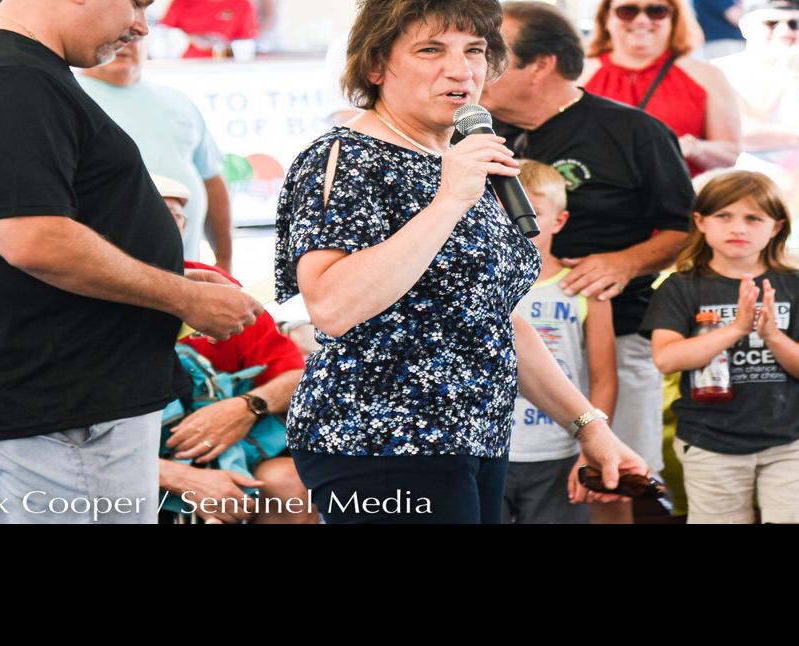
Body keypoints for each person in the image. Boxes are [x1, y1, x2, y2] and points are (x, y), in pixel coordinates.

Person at [274, 0, 646, 525]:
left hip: (475, 436)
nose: (461, 69)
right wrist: (448, 200)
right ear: (376, 65)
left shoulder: (463, 155)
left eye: (474, 50)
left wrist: (590, 428)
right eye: (431, 50)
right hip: (379, 439)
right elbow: (332, 306)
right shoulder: (347, 157)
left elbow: (493, 317)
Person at [0, 0, 262, 525]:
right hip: (62, 410)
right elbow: (32, 238)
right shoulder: (9, 76)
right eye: (137, 3)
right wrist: (183, 296)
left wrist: (162, 273)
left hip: (72, 406)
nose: (141, 26)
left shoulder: (21, 70)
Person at [486, 1, 694, 523]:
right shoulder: (475, 135)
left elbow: (686, 228)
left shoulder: (633, 132)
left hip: (614, 329)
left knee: (611, 483)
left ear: (542, 63)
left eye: (493, 54)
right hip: (501, 335)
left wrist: (624, 262)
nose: (477, 68)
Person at [642, 171, 799, 524]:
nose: (738, 228)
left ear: (775, 227)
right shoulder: (679, 287)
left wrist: (773, 335)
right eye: (724, 216)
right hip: (709, 440)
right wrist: (737, 329)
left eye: (753, 218)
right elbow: (666, 359)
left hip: (790, 439)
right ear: (700, 222)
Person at [149, 174, 314, 525]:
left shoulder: (215, 287)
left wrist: (247, 407)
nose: (159, 226)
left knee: (288, 482)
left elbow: (295, 374)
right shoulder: (73, 299)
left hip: (227, 458)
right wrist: (182, 478)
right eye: (146, 211)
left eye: (173, 217)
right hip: (114, 463)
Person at [504, 161, 617, 524]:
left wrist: (591, 447)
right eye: (503, 211)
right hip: (487, 452)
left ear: (559, 220)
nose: (515, 223)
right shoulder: (473, 284)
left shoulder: (585, 288)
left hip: (559, 453)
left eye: (531, 213)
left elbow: (603, 378)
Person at [79, 37, 234, 269]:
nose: (124, 43)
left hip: (186, 271)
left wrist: (224, 260)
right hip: (108, 275)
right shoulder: (70, 97)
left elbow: (211, 180)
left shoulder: (178, 101)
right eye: (115, 34)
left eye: (133, 35)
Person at [710, 0, 799, 249]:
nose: (784, 31)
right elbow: (738, 134)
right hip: (743, 205)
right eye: (771, 23)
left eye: (795, 24)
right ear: (745, 26)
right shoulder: (720, 72)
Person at [581, 0, 741, 177]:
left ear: (674, 18)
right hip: (598, 197)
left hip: (678, 198)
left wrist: (693, 148)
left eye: (656, 11)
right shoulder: (579, 76)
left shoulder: (707, 76)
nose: (642, 20)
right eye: (627, 11)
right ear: (606, 17)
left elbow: (730, 152)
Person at [158, 0, 256, 58]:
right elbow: (161, 34)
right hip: (183, 66)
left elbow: (248, 44)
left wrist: (224, 44)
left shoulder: (242, 4)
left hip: (224, 70)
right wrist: (189, 38)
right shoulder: (182, 1)